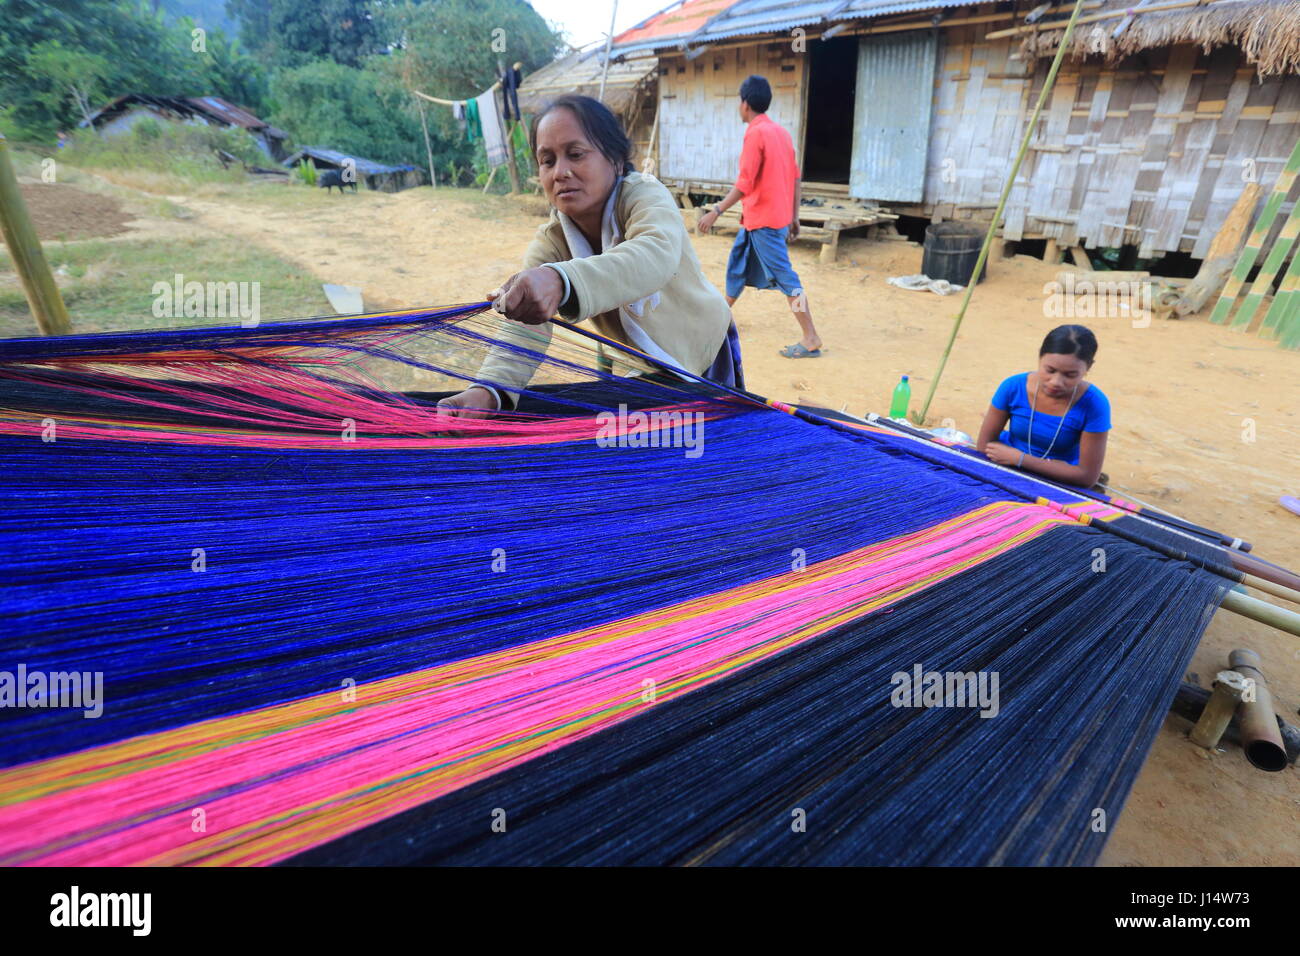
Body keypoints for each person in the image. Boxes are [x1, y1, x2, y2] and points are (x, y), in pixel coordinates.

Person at [438, 95, 739, 419]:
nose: (560, 172)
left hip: (703, 351)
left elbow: (656, 253)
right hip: (636, 367)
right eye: (547, 160)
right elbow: (527, 326)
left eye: (576, 154)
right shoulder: (551, 243)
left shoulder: (644, 195)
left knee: (712, 447)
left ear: (616, 160)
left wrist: (562, 281)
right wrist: (489, 391)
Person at [697, 74, 823, 359]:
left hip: (764, 223)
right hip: (766, 220)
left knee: (787, 280)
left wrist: (716, 211)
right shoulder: (781, 132)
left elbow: (745, 184)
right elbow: (796, 178)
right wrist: (794, 217)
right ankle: (715, 322)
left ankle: (811, 337)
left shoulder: (756, 134)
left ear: (744, 104)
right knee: (737, 268)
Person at [976, 325, 1111, 487]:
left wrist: (1022, 460)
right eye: (1050, 370)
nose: (1056, 382)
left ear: (1088, 367)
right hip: (1006, 464)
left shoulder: (1094, 404)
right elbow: (984, 446)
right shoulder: (1013, 387)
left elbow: (1086, 477)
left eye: (1070, 375)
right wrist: (1012, 460)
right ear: (1040, 358)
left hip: (1059, 481)